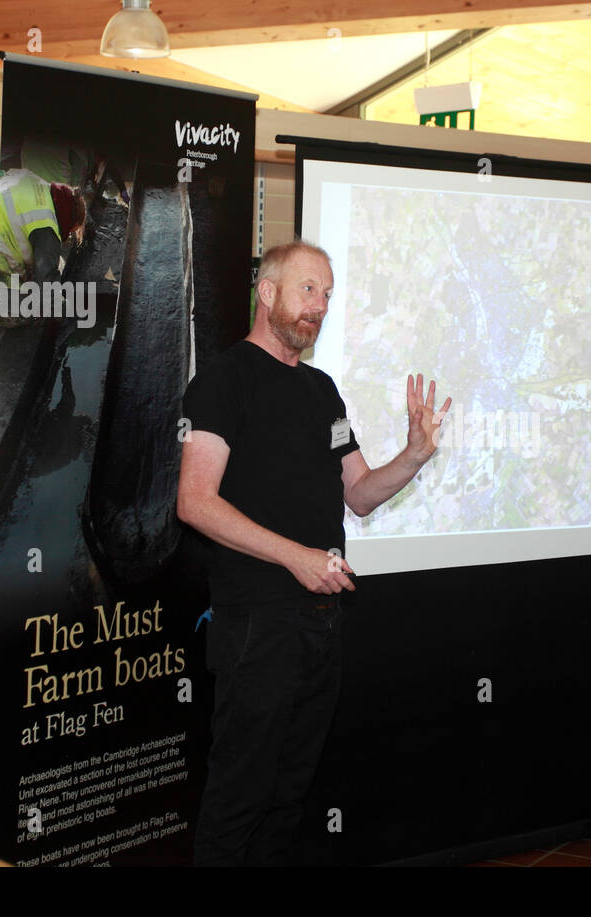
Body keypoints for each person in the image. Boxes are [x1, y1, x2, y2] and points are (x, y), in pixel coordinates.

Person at [177, 240, 450, 866]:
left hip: (322, 626)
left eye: (327, 295)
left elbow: (358, 492)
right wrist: (296, 557)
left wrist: (413, 455)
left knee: (287, 798)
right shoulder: (223, 381)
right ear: (267, 292)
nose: (320, 307)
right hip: (258, 625)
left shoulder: (322, 391)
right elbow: (194, 501)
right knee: (238, 801)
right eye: (308, 290)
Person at [0, 167, 85, 284]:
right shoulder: (47, 227)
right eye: (70, 232)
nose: (67, 236)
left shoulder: (34, 181)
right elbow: (48, 282)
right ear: (68, 221)